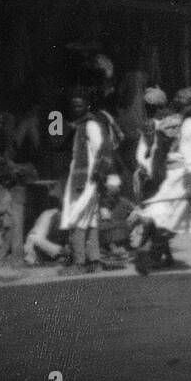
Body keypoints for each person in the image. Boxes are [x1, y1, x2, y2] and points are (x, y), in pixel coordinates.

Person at [133, 86, 191, 270]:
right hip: (189, 176)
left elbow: (156, 152)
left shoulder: (165, 123)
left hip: (169, 176)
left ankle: (150, 250)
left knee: (169, 218)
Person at [59, 89, 109, 276]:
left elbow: (100, 152)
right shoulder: (78, 126)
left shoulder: (90, 126)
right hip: (81, 178)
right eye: (73, 106)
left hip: (86, 179)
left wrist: (96, 177)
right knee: (89, 219)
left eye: (79, 105)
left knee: (78, 217)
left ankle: (80, 262)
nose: (76, 109)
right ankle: (94, 261)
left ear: (87, 106)